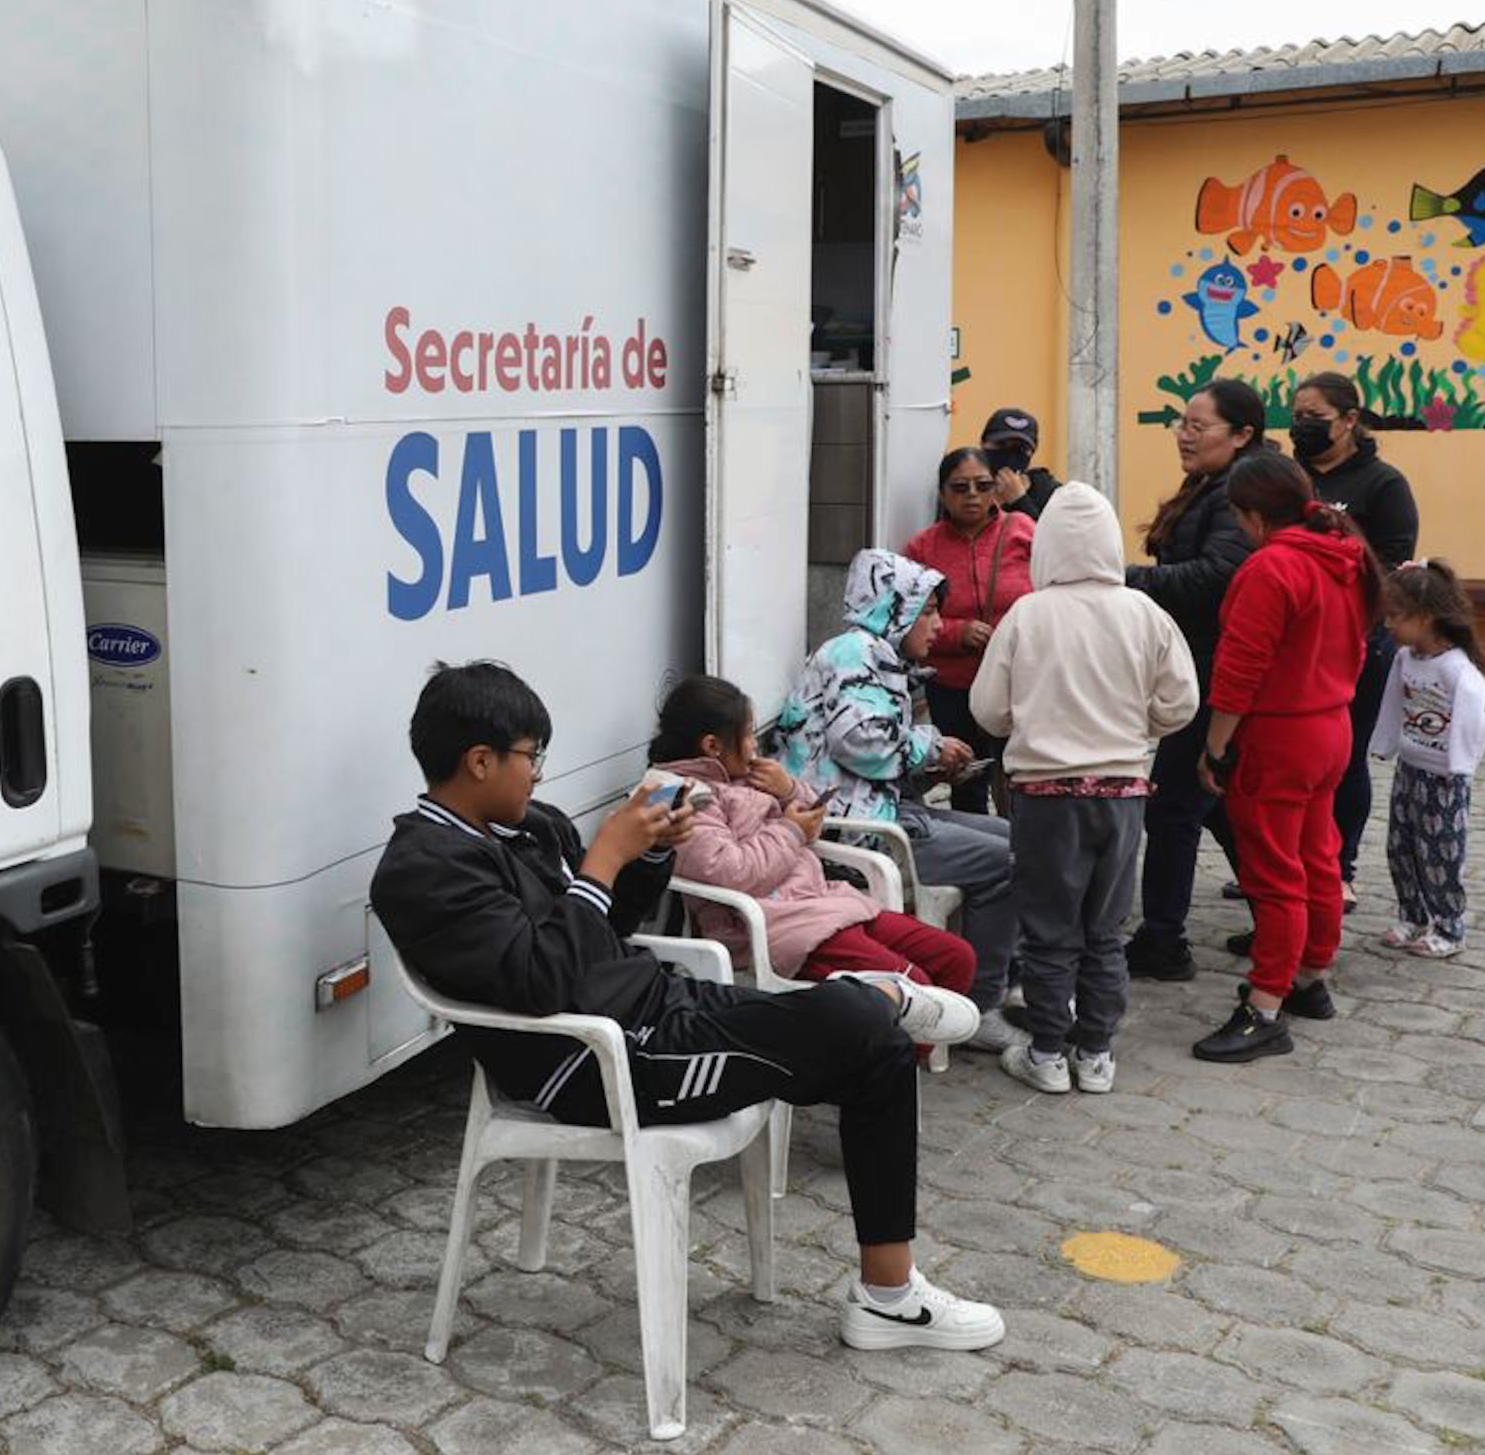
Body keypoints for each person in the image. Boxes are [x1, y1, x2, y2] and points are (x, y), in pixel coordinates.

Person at [370, 662, 1006, 1351]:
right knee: (858, 1025)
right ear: (480, 760)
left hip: (654, 1006)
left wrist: (644, 859)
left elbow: (602, 931)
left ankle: (888, 1294)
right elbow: (540, 984)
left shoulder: (530, 827)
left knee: (875, 1049)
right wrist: (604, 862)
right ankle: (877, 996)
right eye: (532, 756)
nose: (540, 774)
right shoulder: (424, 868)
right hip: (599, 1062)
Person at [969, 482, 1199, 1094]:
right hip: (1124, 791)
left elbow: (989, 710)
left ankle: (1047, 1052)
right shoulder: (1144, 613)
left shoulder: (1027, 615)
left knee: (1048, 930)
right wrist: (1136, 726)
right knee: (1106, 930)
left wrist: (1037, 719)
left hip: (1044, 798)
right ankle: (1096, 1054)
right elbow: (1182, 702)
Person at [776, 551, 1019, 1050]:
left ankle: (999, 977)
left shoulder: (879, 657)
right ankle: (979, 1002)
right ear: (895, 607)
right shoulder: (853, 654)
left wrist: (930, 759)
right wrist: (928, 745)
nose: (938, 624)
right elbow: (860, 741)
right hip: (856, 831)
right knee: (1012, 861)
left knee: (1016, 839)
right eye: (927, 610)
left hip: (879, 811)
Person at [1190, 456, 1377, 1063]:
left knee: (1272, 875)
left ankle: (1265, 1006)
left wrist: (1216, 746)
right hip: (1331, 727)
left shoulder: (1272, 567)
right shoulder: (1343, 556)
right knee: (1318, 857)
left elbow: (1240, 668)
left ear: (1251, 513)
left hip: (1278, 734)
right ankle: (1310, 978)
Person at [653, 675, 975, 994]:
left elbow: (814, 823)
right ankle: (896, 1046)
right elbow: (730, 872)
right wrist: (791, 830)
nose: (754, 746)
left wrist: (789, 789)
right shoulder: (683, 797)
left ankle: (916, 1043)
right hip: (780, 929)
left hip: (824, 903)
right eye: (749, 735)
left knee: (956, 959)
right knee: (912, 992)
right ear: (712, 746)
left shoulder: (743, 774)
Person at [1123, 378, 1269, 984]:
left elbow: (1216, 576)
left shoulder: (1242, 490)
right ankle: (1282, 914)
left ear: (1241, 435)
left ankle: (1163, 940)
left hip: (1215, 672)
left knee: (1175, 807)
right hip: (1193, 663)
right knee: (1215, 805)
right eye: (1181, 423)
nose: (1184, 435)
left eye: (1198, 426)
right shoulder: (1211, 484)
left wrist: (1122, 578)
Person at [902, 447, 1035, 815]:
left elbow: (1051, 596)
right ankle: (978, 862)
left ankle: (1025, 857)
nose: (972, 495)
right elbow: (902, 619)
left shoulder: (1025, 531)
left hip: (1020, 682)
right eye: (960, 487)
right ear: (943, 493)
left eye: (982, 485)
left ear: (996, 489)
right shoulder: (922, 547)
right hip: (953, 686)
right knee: (965, 777)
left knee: (1022, 777)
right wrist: (956, 633)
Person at [1371, 562, 1485, 958]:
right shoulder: (1406, 658)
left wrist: (1458, 767)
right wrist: (1386, 743)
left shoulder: (1457, 669)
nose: (1387, 624)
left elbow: (1474, 722)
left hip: (1443, 776)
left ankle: (1449, 927)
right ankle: (1412, 914)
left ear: (1426, 617)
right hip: (1411, 767)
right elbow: (1392, 701)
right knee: (1401, 845)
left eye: (1395, 616)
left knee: (1440, 852)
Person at [980, 406, 1060, 520]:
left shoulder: (1050, 493)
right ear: (983, 443)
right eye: (1001, 445)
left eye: (1020, 449)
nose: (1009, 454)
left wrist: (1020, 501)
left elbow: (1048, 536)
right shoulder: (964, 484)